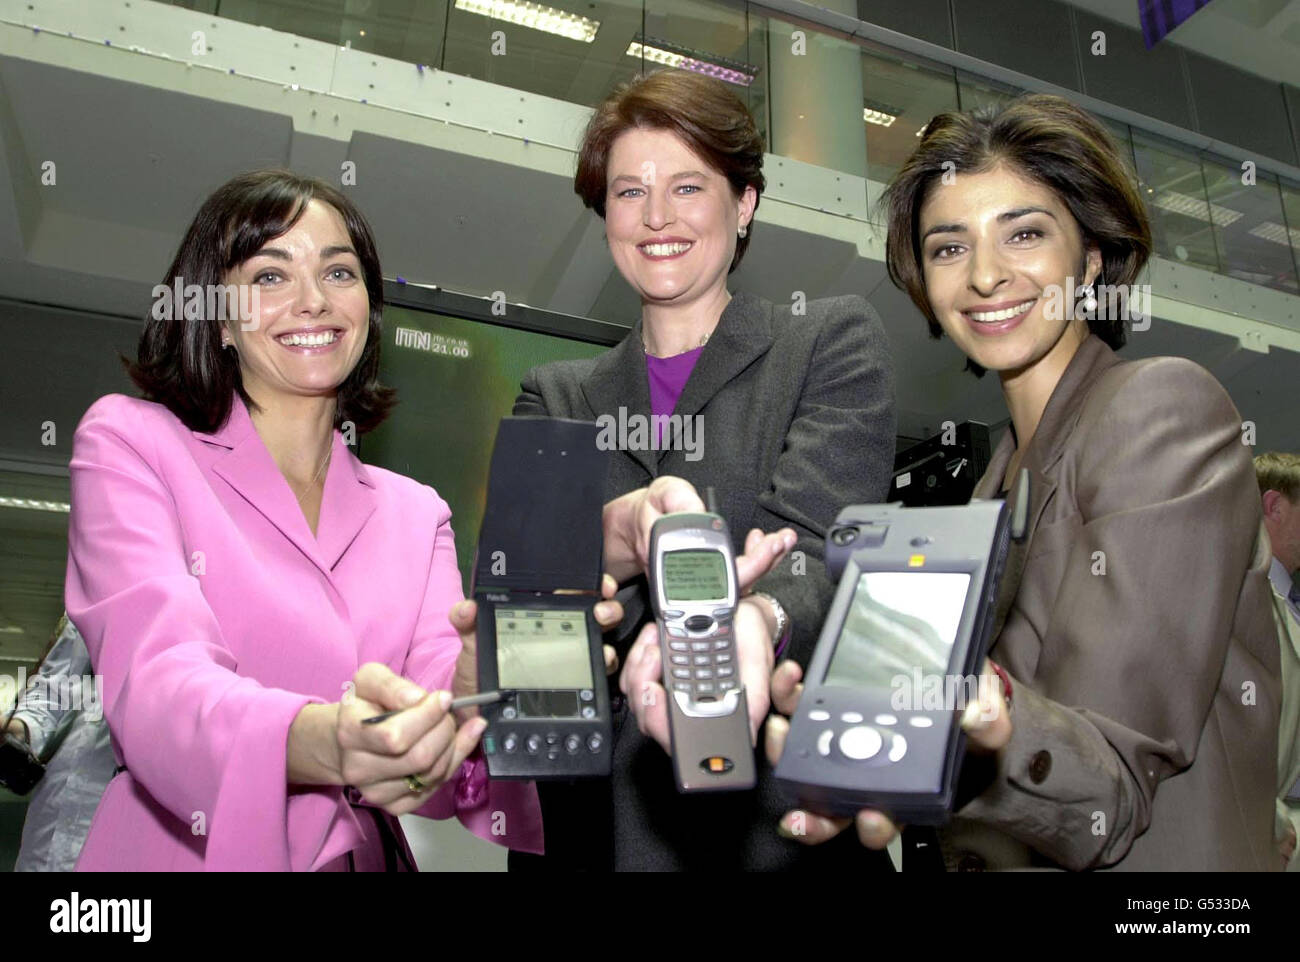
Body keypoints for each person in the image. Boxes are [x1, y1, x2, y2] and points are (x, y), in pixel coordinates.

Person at [767, 93, 1279, 870]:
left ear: (1093, 258)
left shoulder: (1158, 408)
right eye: (948, 248)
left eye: (1026, 234)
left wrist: (983, 719)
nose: (985, 275)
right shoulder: (993, 485)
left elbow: (1106, 775)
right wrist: (882, 759)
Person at [64, 168, 611, 870]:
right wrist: (324, 739)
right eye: (269, 276)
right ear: (217, 318)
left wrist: (479, 686)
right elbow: (156, 685)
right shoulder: (132, 443)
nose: (313, 300)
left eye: (339, 272)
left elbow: (439, 743)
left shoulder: (418, 512)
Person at [511, 69, 897, 870]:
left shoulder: (825, 341)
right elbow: (524, 620)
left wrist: (758, 620)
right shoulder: (552, 394)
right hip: (597, 831)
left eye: (688, 186)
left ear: (745, 201)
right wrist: (613, 540)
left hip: (773, 831)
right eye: (628, 192)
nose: (656, 217)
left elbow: (823, 549)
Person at [6, 614, 115, 871]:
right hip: (53, 811)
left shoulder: (209, 596)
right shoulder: (85, 603)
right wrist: (18, 727)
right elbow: (51, 691)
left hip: (120, 817)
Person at [1254, 451, 1300, 869]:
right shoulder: (1244, 601)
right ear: (1274, 506)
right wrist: (1266, 816)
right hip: (1273, 823)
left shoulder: (1289, 602)